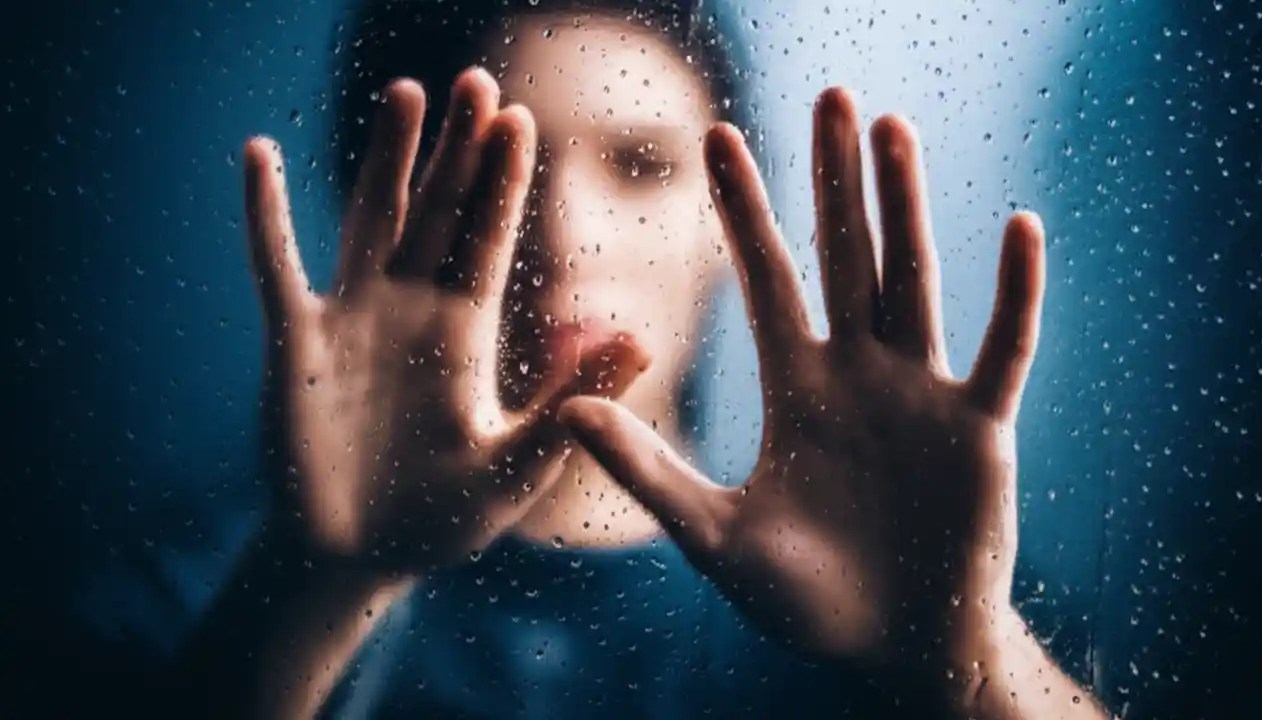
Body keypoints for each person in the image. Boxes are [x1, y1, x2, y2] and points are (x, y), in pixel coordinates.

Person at [174, 0, 1111, 717]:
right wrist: (319, 581)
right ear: (393, 201)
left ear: (728, 224)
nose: (563, 237)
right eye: (497, 171)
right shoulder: (209, 583)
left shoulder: (912, 572)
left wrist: (967, 662)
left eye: (642, 165)